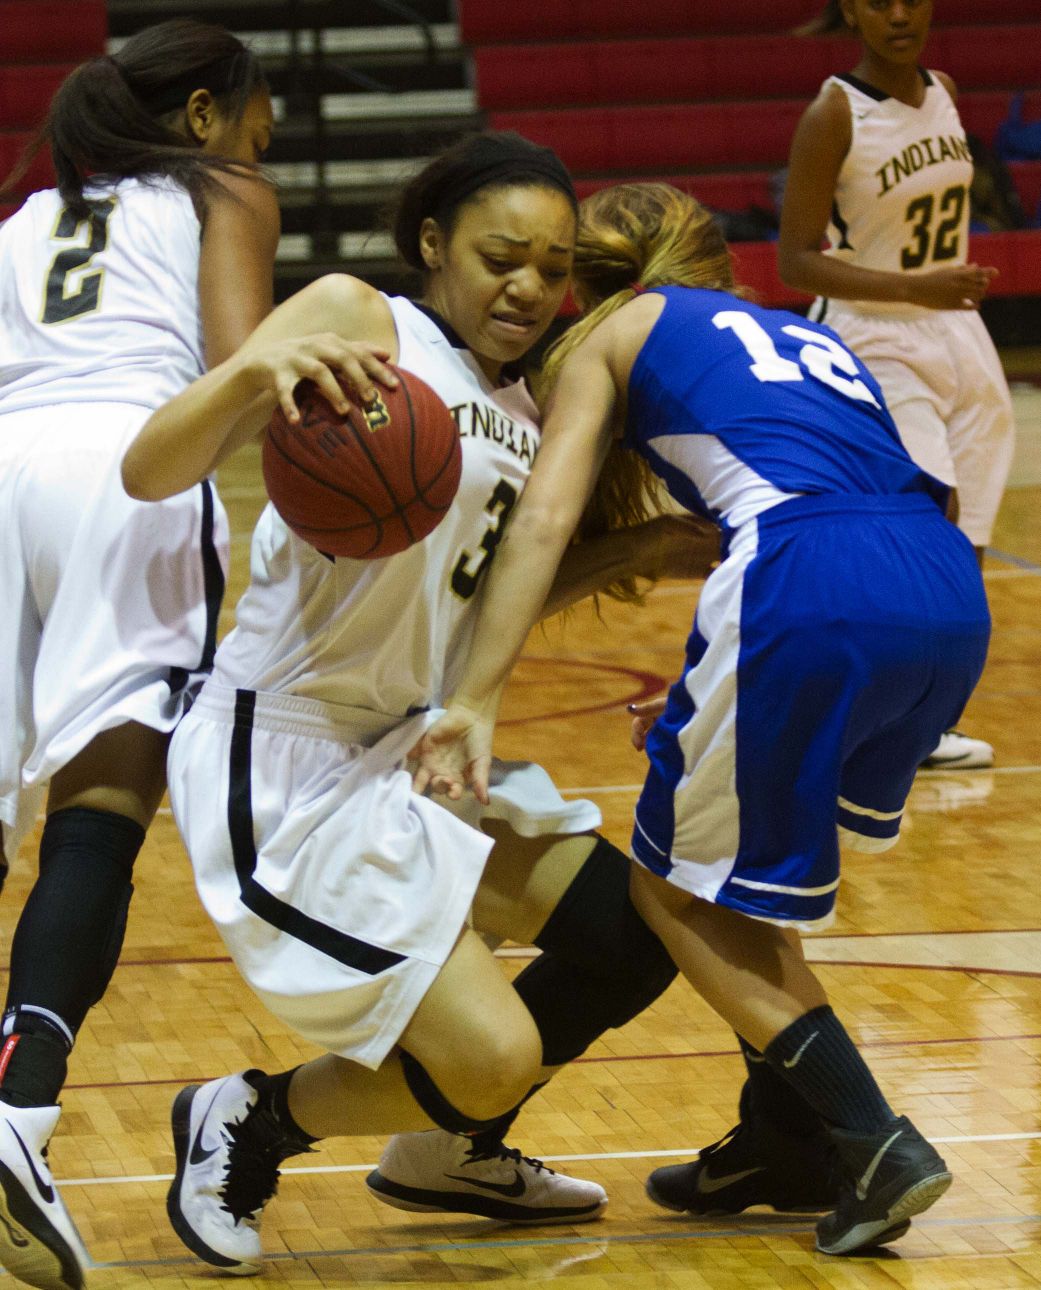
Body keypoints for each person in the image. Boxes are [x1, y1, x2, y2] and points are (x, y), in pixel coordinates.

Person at [120, 132, 709, 1275]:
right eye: (503, 258)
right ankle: (253, 1113)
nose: (530, 288)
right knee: (491, 1053)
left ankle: (447, 1152)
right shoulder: (358, 317)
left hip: (410, 748)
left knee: (630, 936)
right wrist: (252, 373)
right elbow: (150, 468)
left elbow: (486, 603)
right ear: (433, 243)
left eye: (552, 269)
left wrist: (638, 548)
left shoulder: (530, 407)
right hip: (284, 761)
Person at [409, 182, 991, 1255]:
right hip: (944, 583)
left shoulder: (619, 332)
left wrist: (475, 697)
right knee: (747, 869)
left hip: (808, 578)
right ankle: (785, 1139)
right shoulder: (790, 333)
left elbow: (544, 516)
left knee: (673, 894)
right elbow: (909, 496)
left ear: (586, 280)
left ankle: (872, 1142)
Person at [0, 21, 278, 1289]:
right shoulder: (219, 187)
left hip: (4, 471)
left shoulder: (26, 221)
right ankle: (23, 1102)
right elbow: (240, 364)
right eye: (263, 127)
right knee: (102, 803)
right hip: (130, 464)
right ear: (210, 115)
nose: (262, 151)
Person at [777, 0, 1014, 770]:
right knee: (920, 517)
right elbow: (794, 263)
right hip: (871, 333)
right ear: (852, 9)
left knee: (966, 527)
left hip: (955, 329)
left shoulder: (941, 87)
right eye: (879, 0)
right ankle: (877, 718)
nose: (899, 13)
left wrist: (937, 295)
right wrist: (918, 290)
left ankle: (930, 717)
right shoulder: (833, 111)